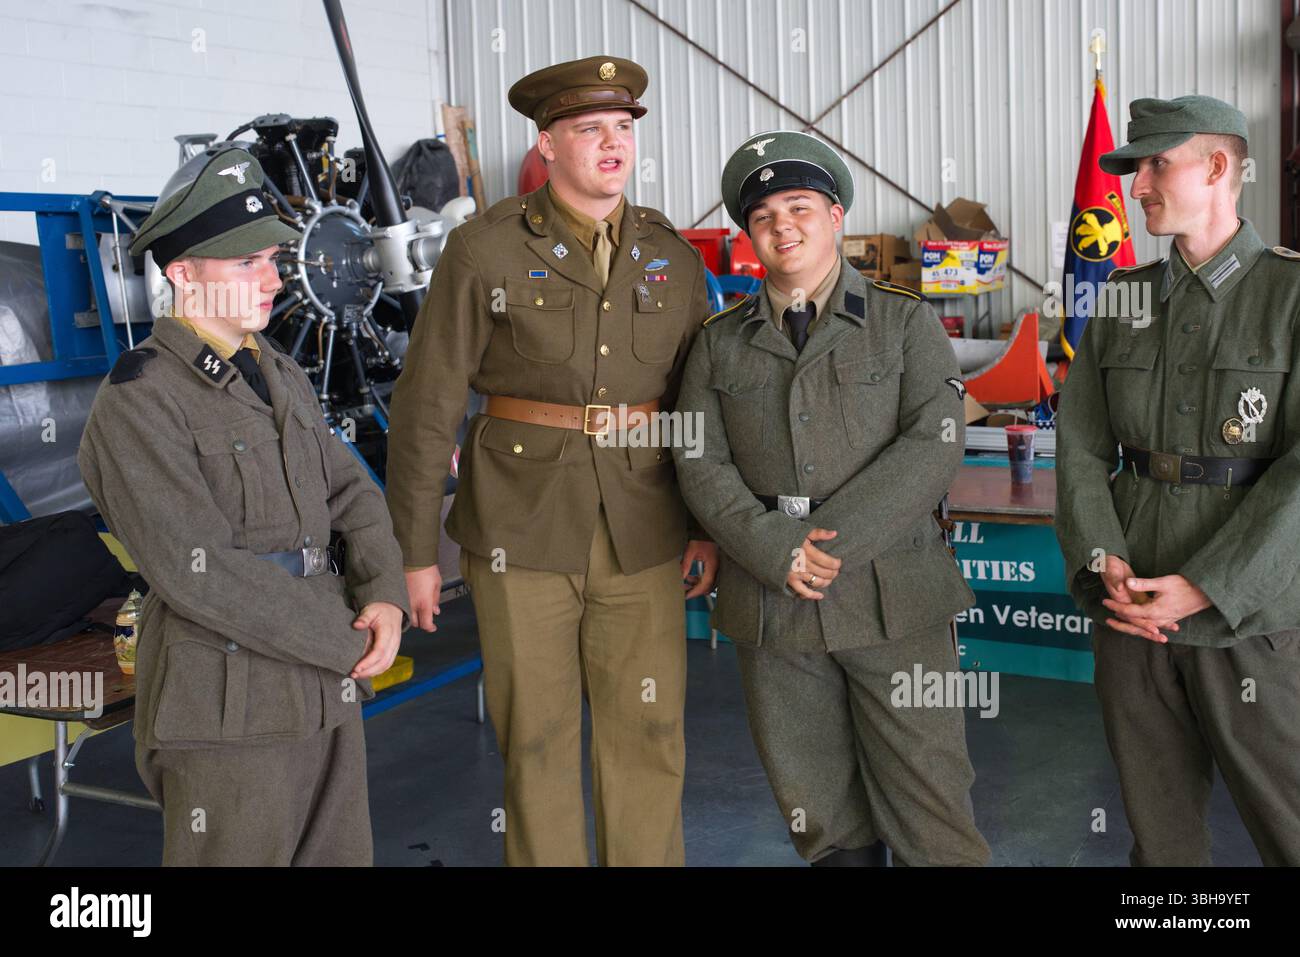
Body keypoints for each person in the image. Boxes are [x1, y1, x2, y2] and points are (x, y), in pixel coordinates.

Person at [385, 56, 717, 866]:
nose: (613, 143)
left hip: (645, 526)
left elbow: (702, 409)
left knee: (649, 731)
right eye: (589, 129)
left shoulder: (671, 257)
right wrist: (416, 555)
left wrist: (708, 527)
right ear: (549, 143)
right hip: (520, 529)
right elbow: (427, 405)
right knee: (534, 737)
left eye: (624, 127)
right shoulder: (484, 249)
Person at [77, 147, 409, 865]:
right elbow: (199, 571)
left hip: (325, 687)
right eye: (244, 264)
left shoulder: (274, 369)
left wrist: (383, 592)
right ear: (181, 272)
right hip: (228, 705)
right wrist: (345, 637)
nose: (270, 278)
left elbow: (349, 490)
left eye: (271, 258)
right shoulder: (140, 399)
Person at [672, 131, 989, 866]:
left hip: (893, 600)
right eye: (764, 216)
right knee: (819, 817)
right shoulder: (719, 343)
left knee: (930, 807)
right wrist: (772, 547)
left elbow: (933, 445)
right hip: (774, 605)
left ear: (837, 215)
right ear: (748, 235)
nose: (783, 226)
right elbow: (698, 455)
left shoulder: (905, 322)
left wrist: (823, 545)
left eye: (800, 205)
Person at [1056, 94, 1300, 866]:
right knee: (1160, 839)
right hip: (1133, 618)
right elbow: (1082, 445)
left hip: (1254, 617)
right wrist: (1103, 561)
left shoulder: (1290, 295)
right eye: (1134, 167)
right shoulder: (1123, 295)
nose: (1137, 186)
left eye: (1158, 163)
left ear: (1219, 166)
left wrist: (1211, 583)